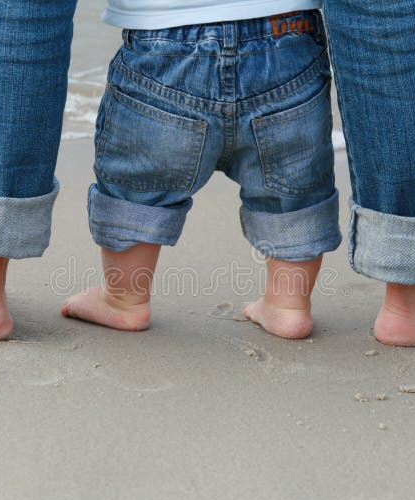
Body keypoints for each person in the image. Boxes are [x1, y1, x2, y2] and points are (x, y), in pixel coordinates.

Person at [0, 0, 415, 347]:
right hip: (288, 48)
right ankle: (345, 301)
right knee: (292, 195)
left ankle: (98, 295)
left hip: (160, 53)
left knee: (136, 192)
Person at [61, 9, 340, 339]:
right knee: (292, 189)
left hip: (164, 34)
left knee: (140, 184)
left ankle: (124, 298)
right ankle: (288, 304)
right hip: (288, 36)